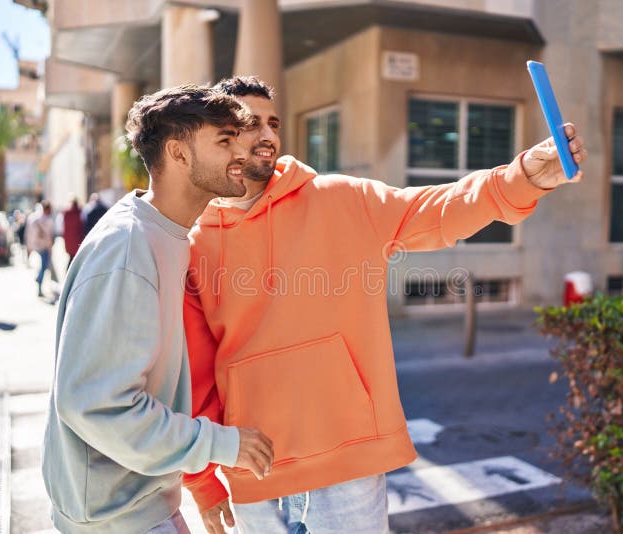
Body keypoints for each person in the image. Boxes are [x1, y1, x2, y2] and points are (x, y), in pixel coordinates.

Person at [182, 76, 589, 533]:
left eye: (272, 123)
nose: (268, 134)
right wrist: (202, 480)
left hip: (348, 468)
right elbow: (194, 372)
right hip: (252, 474)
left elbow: (436, 209)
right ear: (219, 137)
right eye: (250, 123)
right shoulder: (193, 241)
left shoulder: (340, 199)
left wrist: (522, 179)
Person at [41, 85, 275, 533]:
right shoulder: (128, 249)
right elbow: (95, 403)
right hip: (116, 517)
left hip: (135, 505)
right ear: (178, 153)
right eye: (224, 141)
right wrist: (219, 444)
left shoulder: (164, 235)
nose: (241, 151)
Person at [27, 200, 58, 297]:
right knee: (43, 267)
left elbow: (29, 234)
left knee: (42, 266)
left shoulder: (33, 218)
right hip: (44, 246)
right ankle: (39, 279)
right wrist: (50, 248)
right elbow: (50, 236)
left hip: (36, 246)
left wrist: (29, 246)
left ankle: (39, 285)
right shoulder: (48, 220)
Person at [61, 195, 84, 270]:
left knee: (71, 258)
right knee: (74, 259)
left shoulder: (66, 213)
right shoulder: (80, 212)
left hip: (69, 241)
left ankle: (68, 274)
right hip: (78, 240)